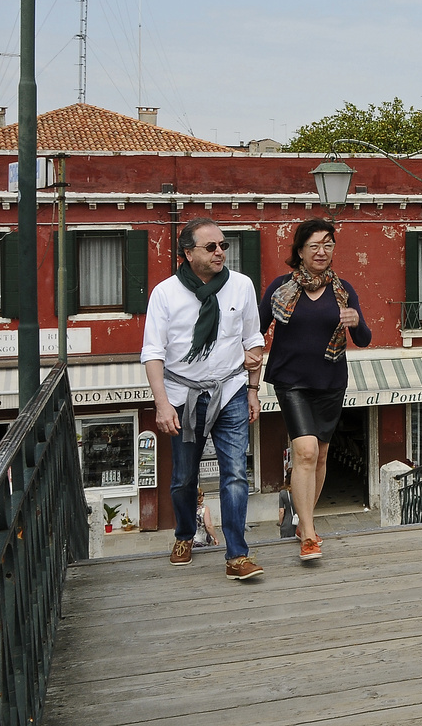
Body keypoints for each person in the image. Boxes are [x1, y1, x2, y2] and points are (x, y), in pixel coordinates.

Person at [142, 216, 266, 581]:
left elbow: (253, 340)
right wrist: (162, 404)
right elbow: (153, 352)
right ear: (187, 252)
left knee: (235, 476)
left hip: (230, 391)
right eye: (211, 247)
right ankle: (184, 535)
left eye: (224, 246)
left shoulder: (241, 286)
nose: (220, 252)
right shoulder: (165, 293)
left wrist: (255, 388)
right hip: (182, 394)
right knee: (183, 478)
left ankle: (237, 555)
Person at [261, 218, 372, 563]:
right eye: (314, 245)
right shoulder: (281, 288)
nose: (322, 251)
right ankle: (308, 531)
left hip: (330, 381)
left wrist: (356, 321)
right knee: (306, 451)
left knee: (321, 455)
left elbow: (365, 339)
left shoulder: (344, 289)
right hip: (291, 381)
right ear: (299, 251)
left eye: (328, 244)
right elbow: (256, 328)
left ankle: (302, 521)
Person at [278, 471, 297, 541]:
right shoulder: (301, 491)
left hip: (288, 522)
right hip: (301, 522)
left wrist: (280, 523)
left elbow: (281, 511)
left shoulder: (283, 493)